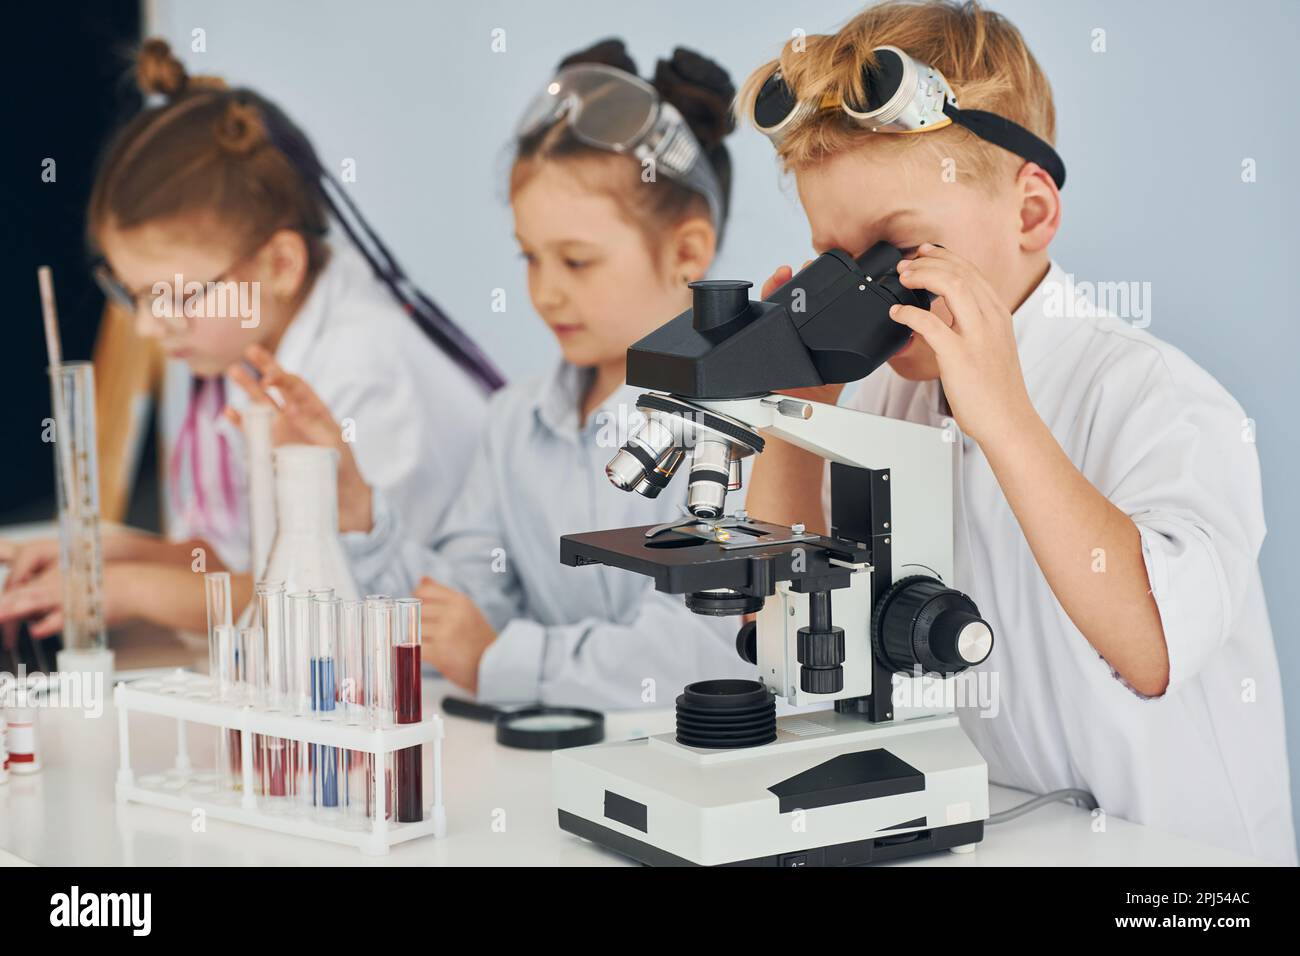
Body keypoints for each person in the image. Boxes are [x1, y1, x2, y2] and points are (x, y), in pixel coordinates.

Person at [736, 0, 1295, 864]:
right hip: (993, 837)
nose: (859, 295)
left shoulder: (1162, 400)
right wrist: (796, 419)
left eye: (893, 251)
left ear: (1030, 215)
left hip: (1179, 870)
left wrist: (1004, 417)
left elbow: (1153, 648)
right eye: (831, 259)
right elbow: (791, 629)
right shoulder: (887, 402)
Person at [238, 39, 757, 709]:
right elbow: (460, 607)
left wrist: (501, 659)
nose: (544, 293)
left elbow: (702, 653)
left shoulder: (740, 423)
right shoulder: (514, 423)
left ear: (687, 251)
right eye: (529, 259)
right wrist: (356, 509)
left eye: (576, 262)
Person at [0, 38, 499, 637]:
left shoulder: (365, 367)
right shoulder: (239, 349)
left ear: (280, 265)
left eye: (177, 296)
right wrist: (113, 555)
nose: (148, 325)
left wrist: (125, 589)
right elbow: (251, 561)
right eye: (132, 294)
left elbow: (331, 603)